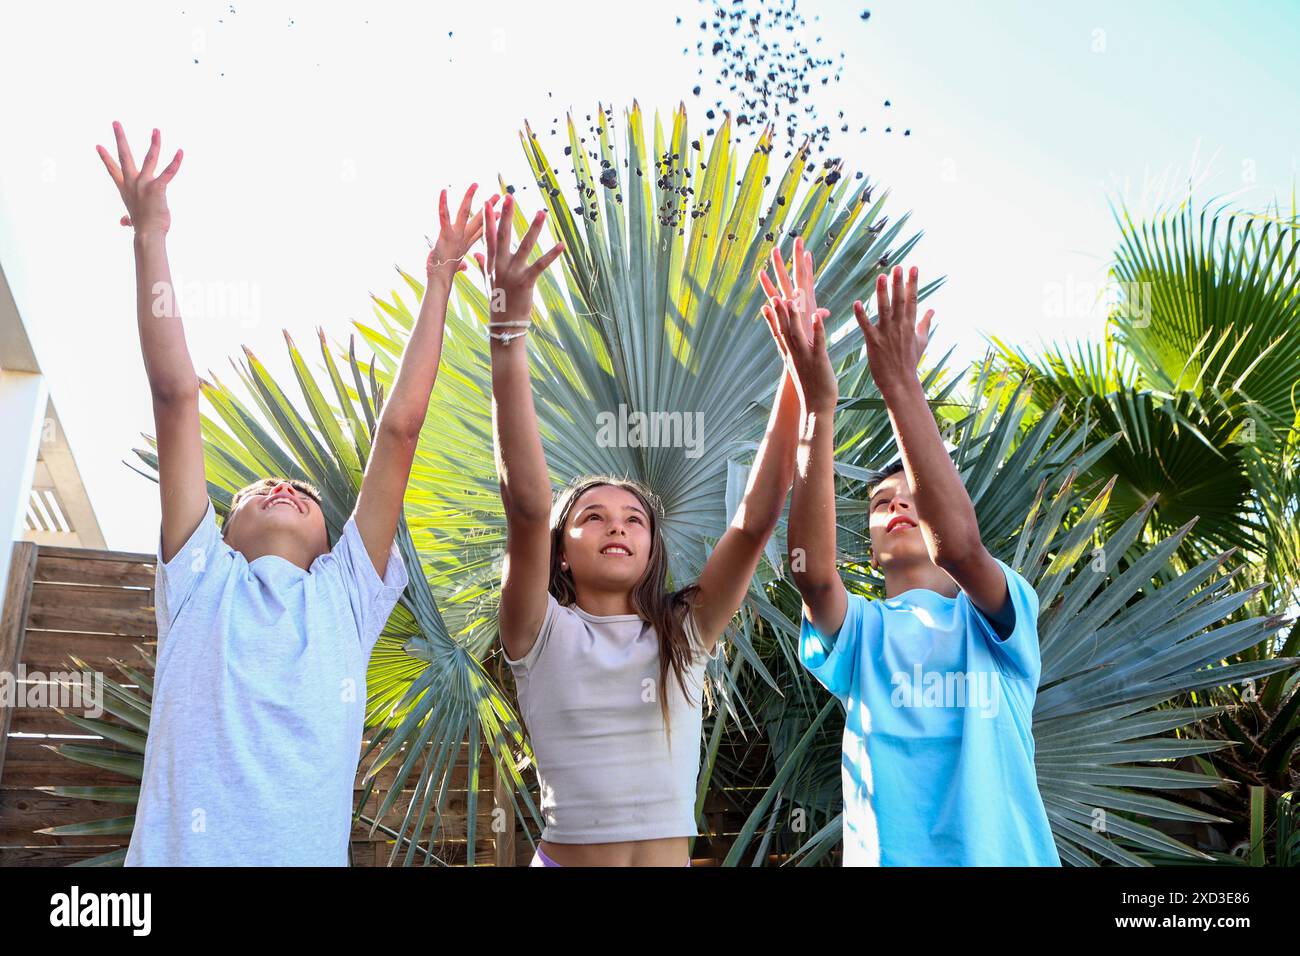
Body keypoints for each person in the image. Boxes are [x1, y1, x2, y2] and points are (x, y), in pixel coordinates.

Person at [98, 122, 481, 864]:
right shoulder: (199, 575)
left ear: (333, 539)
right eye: (258, 488)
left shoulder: (345, 597)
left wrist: (438, 280)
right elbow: (176, 397)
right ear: (222, 525)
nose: (282, 486)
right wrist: (150, 233)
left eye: (303, 490)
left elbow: (399, 430)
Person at [486, 191, 817, 866]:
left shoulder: (683, 633)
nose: (618, 526)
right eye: (593, 517)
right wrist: (507, 337)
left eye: (635, 519)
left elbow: (753, 525)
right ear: (563, 552)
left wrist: (799, 381)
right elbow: (525, 506)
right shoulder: (539, 631)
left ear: (651, 547)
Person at [773, 263, 1059, 866]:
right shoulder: (862, 634)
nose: (896, 503)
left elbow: (958, 548)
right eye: (880, 502)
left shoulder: (999, 618)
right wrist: (817, 408)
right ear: (871, 548)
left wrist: (900, 382)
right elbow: (813, 573)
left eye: (912, 495)